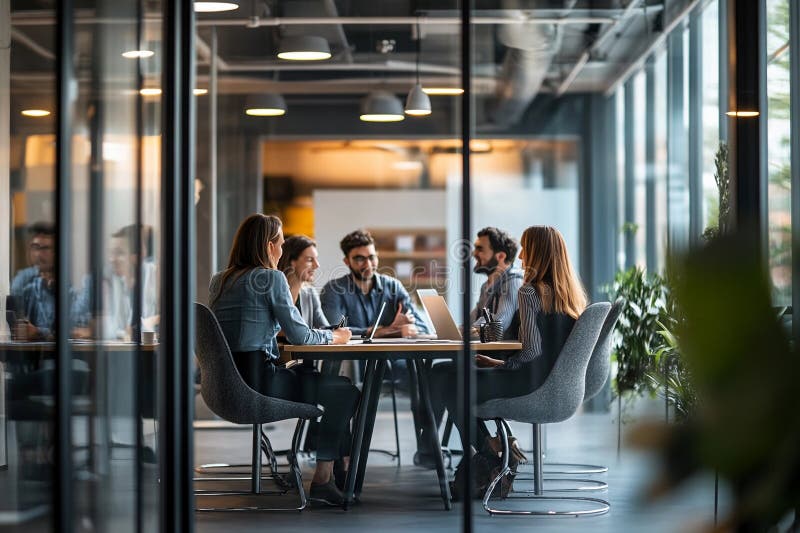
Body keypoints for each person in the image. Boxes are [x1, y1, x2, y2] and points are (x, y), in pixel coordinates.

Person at [209, 214, 358, 506]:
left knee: (327, 385)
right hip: (259, 381)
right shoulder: (271, 277)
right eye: (279, 242)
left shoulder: (220, 280)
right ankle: (323, 480)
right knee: (345, 392)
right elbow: (301, 336)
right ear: (268, 246)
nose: (281, 249)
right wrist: (337, 337)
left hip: (225, 383)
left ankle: (328, 475)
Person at [429, 225, 587, 452]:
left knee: (450, 384)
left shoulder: (529, 292)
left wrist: (504, 364)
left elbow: (531, 352)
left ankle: (489, 451)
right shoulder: (569, 296)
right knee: (451, 378)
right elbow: (543, 352)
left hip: (528, 382)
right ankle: (488, 449)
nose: (521, 256)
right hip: (553, 383)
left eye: (526, 249)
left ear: (538, 254)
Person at [320, 229, 430, 339]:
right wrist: (375, 331)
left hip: (390, 355)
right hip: (352, 355)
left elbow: (423, 328)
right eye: (359, 259)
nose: (368, 264)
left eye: (371, 257)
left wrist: (410, 329)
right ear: (347, 261)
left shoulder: (394, 287)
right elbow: (333, 331)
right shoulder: (333, 289)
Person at [104, 224, 159, 340]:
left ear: (136, 256)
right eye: (111, 253)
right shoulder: (115, 281)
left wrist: (146, 322)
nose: (112, 259)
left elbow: (176, 312)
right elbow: (118, 328)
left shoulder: (154, 275)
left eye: (119, 253)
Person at [469, 227, 524, 340]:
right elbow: (473, 320)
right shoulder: (486, 286)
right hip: (484, 351)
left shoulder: (513, 282)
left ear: (500, 256)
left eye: (480, 249)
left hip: (500, 355)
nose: (474, 253)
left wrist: (468, 331)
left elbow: (499, 325)